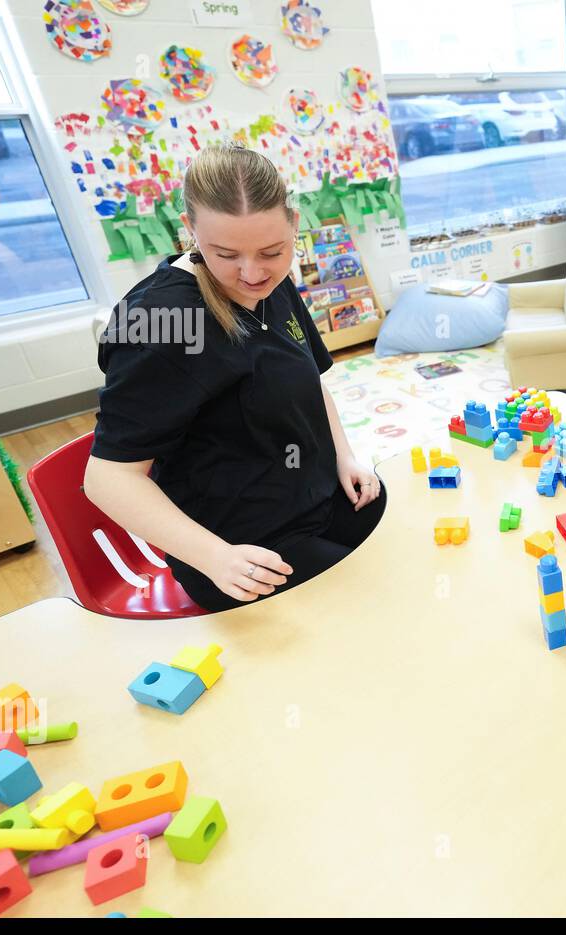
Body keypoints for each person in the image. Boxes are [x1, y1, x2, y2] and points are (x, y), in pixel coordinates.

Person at [84, 144, 386, 613]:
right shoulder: (161, 324)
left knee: (410, 549)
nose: (251, 273)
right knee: (370, 613)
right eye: (225, 254)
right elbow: (107, 478)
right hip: (244, 544)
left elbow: (309, 380)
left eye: (272, 251)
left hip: (319, 496)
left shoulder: (272, 281)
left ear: (293, 223)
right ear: (190, 231)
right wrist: (216, 558)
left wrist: (345, 457)